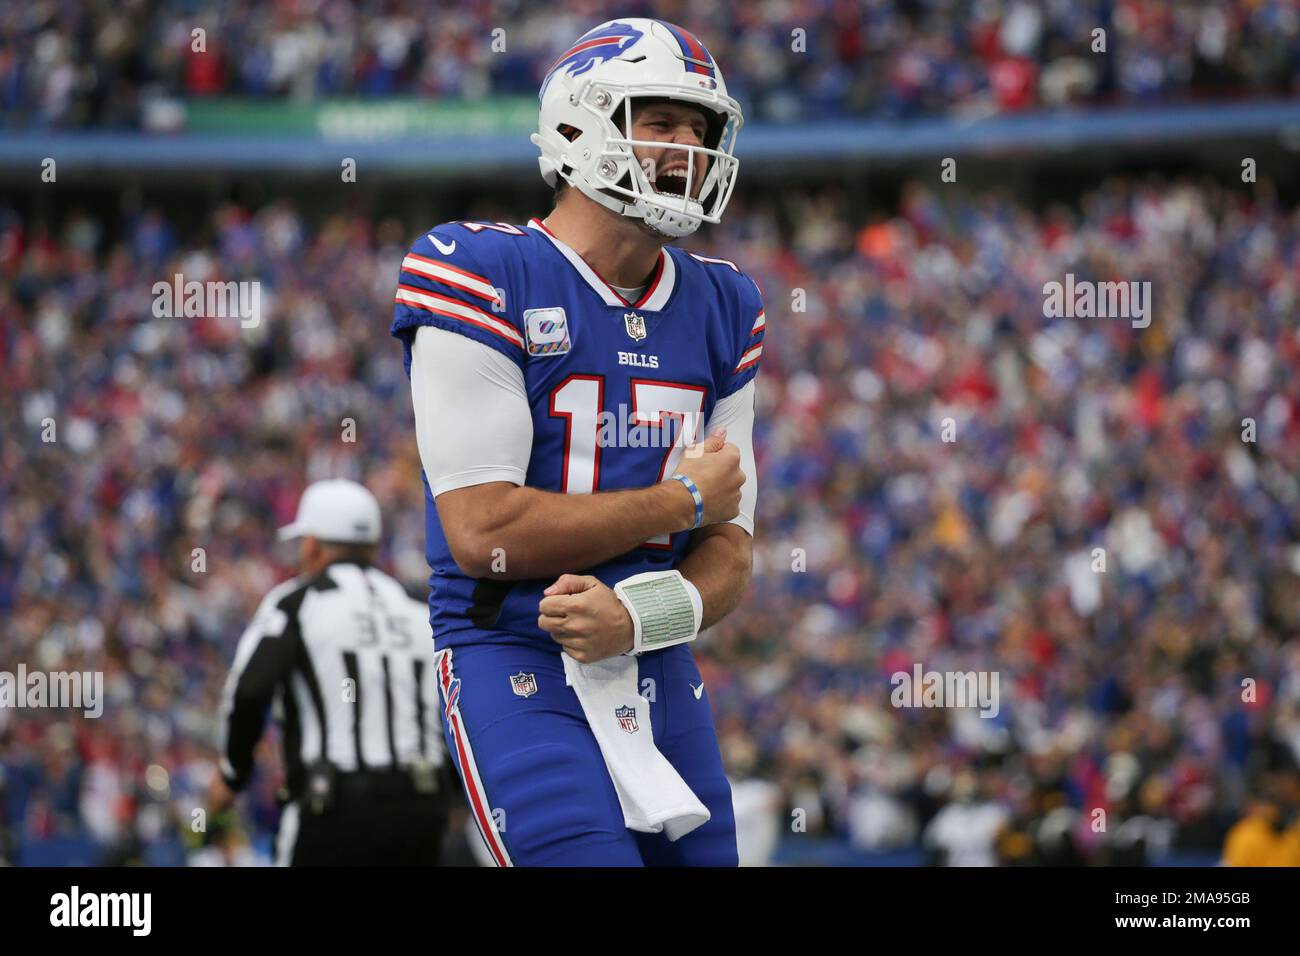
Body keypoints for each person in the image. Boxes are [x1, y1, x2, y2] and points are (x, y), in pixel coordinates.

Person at [390, 18, 761, 866]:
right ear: (576, 127)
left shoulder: (725, 305)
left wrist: (637, 614)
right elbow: (485, 535)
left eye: (699, 132)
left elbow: (732, 555)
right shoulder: (480, 270)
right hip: (510, 647)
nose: (687, 151)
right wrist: (680, 501)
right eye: (659, 123)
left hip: (652, 656)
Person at [212, 479, 452, 865]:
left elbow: (250, 690)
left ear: (311, 546)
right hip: (421, 807)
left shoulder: (296, 602)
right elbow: (454, 705)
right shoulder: (420, 610)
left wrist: (231, 774)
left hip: (332, 807)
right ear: (372, 547)